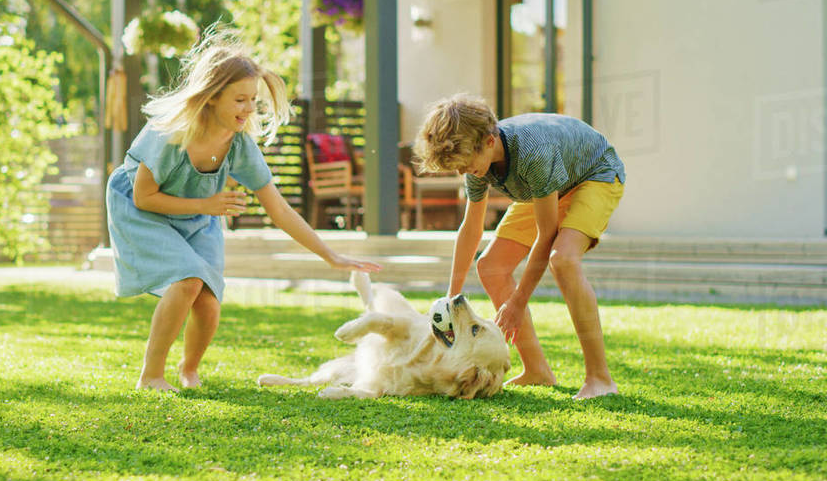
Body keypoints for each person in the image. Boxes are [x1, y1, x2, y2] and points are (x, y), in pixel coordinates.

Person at [107, 30, 382, 392]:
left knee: (208, 302)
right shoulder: (169, 134)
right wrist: (207, 205)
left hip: (195, 216)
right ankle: (151, 375)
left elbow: (280, 211)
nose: (249, 108)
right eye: (239, 99)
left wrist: (331, 256)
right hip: (142, 212)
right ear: (211, 97)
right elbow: (144, 197)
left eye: (253, 99)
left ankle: (188, 370)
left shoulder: (239, 146)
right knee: (187, 280)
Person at [412, 93, 625, 399]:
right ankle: (537, 370)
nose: (463, 172)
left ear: (488, 141)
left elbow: (546, 234)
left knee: (563, 259)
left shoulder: (533, 152)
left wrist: (518, 302)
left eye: (466, 165)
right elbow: (471, 227)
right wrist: (452, 297)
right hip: (548, 187)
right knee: (491, 266)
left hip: (595, 175)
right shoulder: (477, 163)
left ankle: (600, 379)